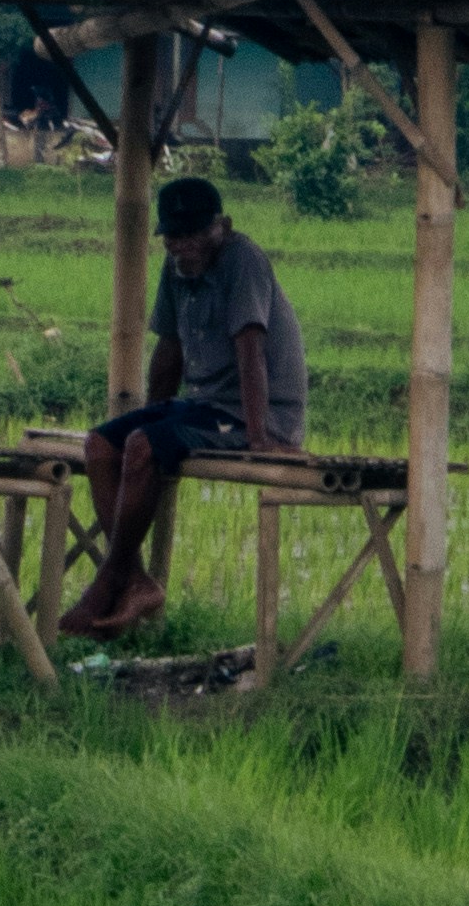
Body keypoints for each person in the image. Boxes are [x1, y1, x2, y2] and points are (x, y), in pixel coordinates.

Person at [59, 176, 305, 639]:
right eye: (174, 237)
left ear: (221, 227)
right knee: (100, 445)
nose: (183, 247)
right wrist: (152, 417)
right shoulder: (176, 268)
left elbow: (251, 350)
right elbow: (169, 350)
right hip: (203, 406)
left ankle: (109, 581)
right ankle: (133, 578)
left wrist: (259, 441)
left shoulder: (242, 260)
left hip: (254, 415)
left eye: (193, 235)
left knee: (143, 445)